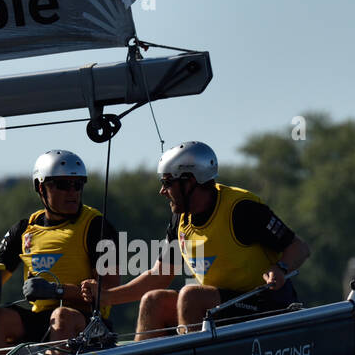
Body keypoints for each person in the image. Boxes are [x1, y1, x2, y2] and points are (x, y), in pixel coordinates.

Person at [81, 141, 310, 339]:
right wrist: (108, 296)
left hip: (264, 307)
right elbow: (158, 276)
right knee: (153, 301)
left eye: (167, 182)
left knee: (191, 296)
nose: (162, 191)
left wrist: (280, 268)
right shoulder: (179, 218)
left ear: (189, 181)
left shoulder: (241, 209)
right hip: (219, 308)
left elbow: (299, 247)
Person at [0, 150, 118, 355]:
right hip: (42, 320)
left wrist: (56, 290)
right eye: (63, 185)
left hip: (89, 323)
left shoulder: (97, 226)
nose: (72, 192)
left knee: (62, 316)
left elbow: (110, 291)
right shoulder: (24, 229)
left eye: (77, 185)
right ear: (41, 188)